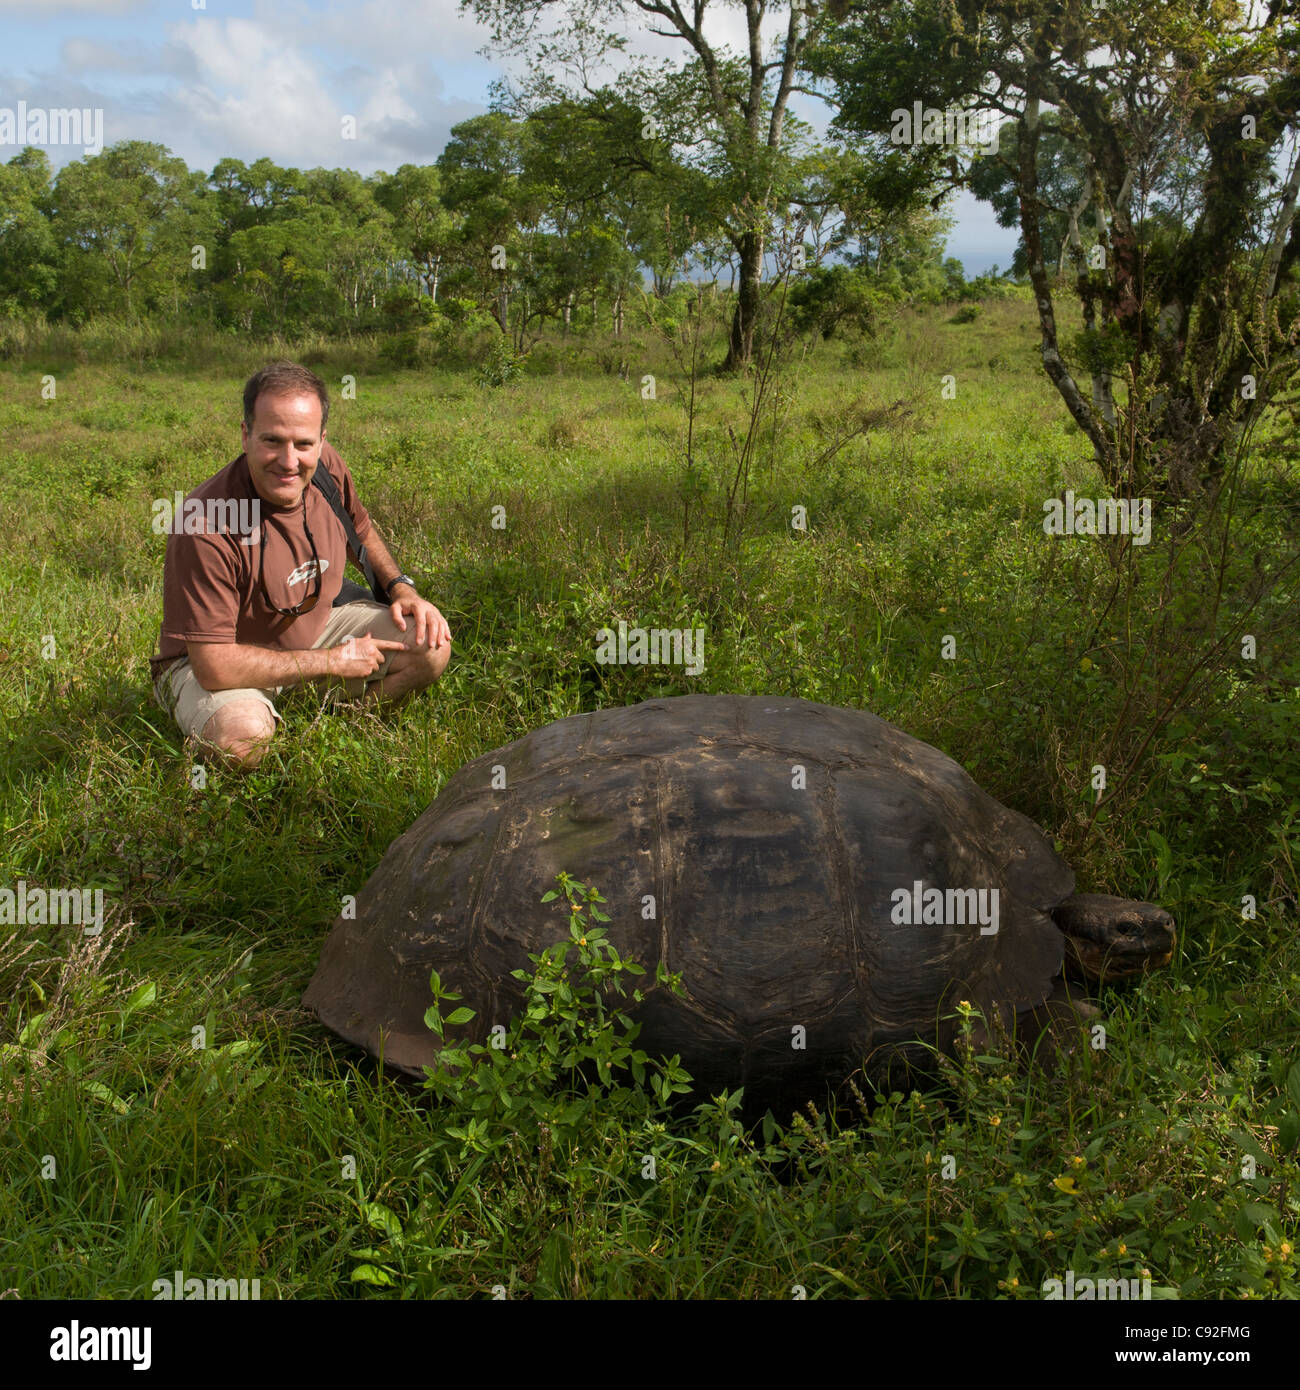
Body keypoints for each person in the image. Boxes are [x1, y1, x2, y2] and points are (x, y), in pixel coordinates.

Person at [149, 361, 451, 771]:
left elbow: (360, 528)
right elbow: (214, 665)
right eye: (272, 440)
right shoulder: (205, 523)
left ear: (322, 440)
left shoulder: (327, 470)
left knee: (430, 644)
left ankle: (334, 723)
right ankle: (264, 711)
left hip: (311, 626)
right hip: (218, 660)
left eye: (304, 444)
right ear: (245, 435)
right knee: (241, 744)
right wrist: (332, 662)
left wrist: (401, 588)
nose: (289, 461)